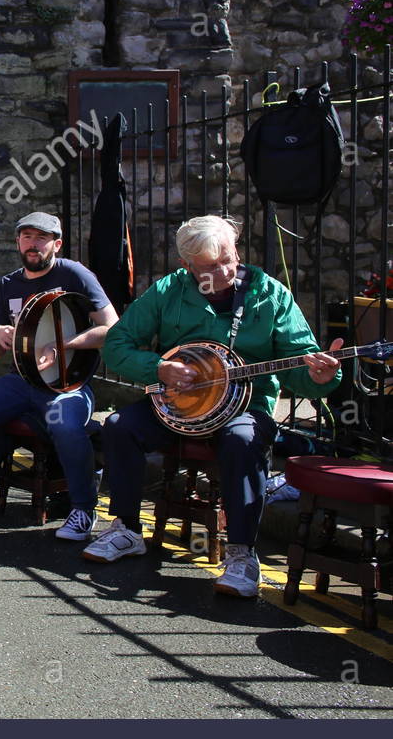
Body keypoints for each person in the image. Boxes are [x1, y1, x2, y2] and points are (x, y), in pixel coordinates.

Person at [85, 215, 342, 597]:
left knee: (243, 440)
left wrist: (321, 378)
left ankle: (241, 553)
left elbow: (299, 364)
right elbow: (117, 344)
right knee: (121, 425)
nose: (224, 271)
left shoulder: (269, 294)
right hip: (177, 404)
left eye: (229, 258)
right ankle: (125, 529)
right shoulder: (169, 290)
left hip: (244, 406)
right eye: (209, 266)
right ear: (188, 267)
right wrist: (158, 368)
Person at [0, 212, 118, 539]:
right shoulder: (8, 284)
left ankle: (83, 508)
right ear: (18, 242)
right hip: (20, 381)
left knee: (66, 426)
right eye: (26, 237)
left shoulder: (74, 274)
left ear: (57, 243)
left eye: (41, 238)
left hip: (66, 382)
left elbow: (112, 328)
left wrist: (65, 344)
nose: (33, 244)